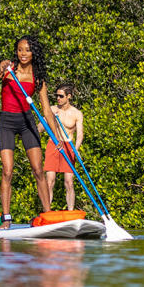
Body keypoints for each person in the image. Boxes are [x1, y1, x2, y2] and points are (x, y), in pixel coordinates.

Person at [0, 36, 63, 228]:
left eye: (27, 50)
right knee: (7, 171)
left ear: (34, 53)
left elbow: (46, 111)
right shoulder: (8, 69)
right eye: (20, 50)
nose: (23, 53)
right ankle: (7, 217)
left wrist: (57, 136)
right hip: (7, 122)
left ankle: (47, 215)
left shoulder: (38, 77)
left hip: (27, 123)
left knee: (38, 170)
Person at [43, 83, 84, 211]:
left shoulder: (77, 113)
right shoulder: (53, 109)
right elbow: (40, 126)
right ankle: (47, 211)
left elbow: (80, 134)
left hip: (68, 146)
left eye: (61, 96)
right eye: (57, 96)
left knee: (69, 182)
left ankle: (70, 212)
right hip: (53, 144)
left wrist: (76, 149)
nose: (58, 98)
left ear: (69, 96)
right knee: (50, 181)